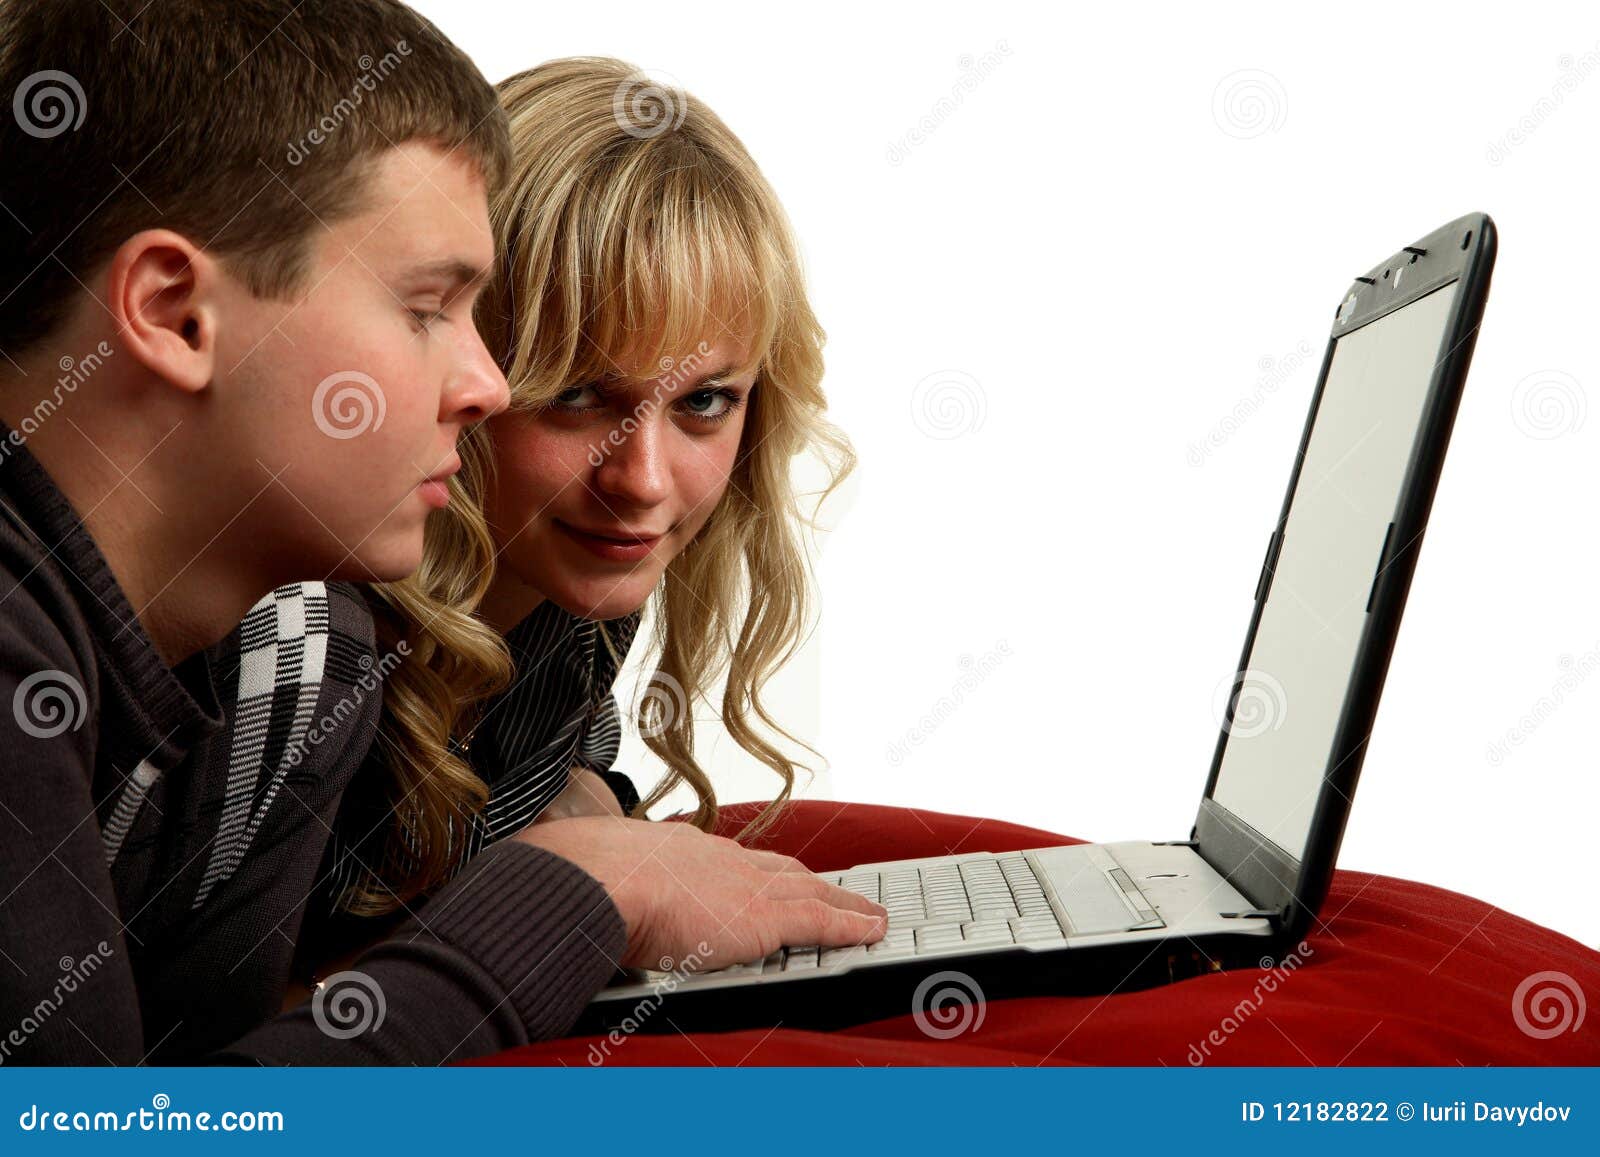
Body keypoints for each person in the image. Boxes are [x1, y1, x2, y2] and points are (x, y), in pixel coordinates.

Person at [0, 2, 880, 1066]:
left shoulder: (571, 595)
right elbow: (159, 1092)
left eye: (706, 402)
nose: (642, 482)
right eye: (571, 394)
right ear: (174, 313)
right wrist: (569, 890)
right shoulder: (294, 637)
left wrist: (585, 818)